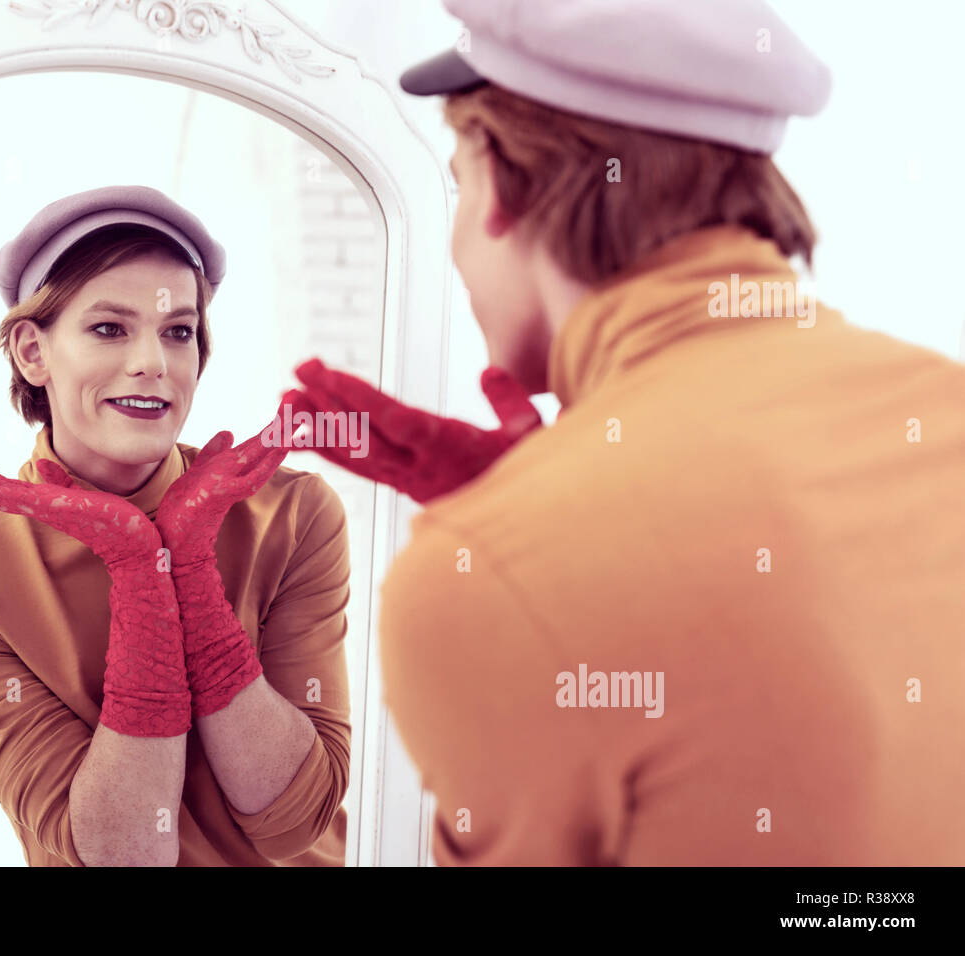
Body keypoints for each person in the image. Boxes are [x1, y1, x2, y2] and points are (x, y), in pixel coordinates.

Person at [283, 0, 965, 865]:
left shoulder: (474, 582)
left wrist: (524, 554)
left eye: (458, 181)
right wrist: (548, 497)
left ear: (504, 182)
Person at [0, 186, 352, 866]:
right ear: (32, 353)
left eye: (178, 331)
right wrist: (141, 575)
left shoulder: (295, 515)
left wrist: (187, 570)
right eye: (109, 328)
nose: (152, 364)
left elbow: (296, 822)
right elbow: (126, 855)